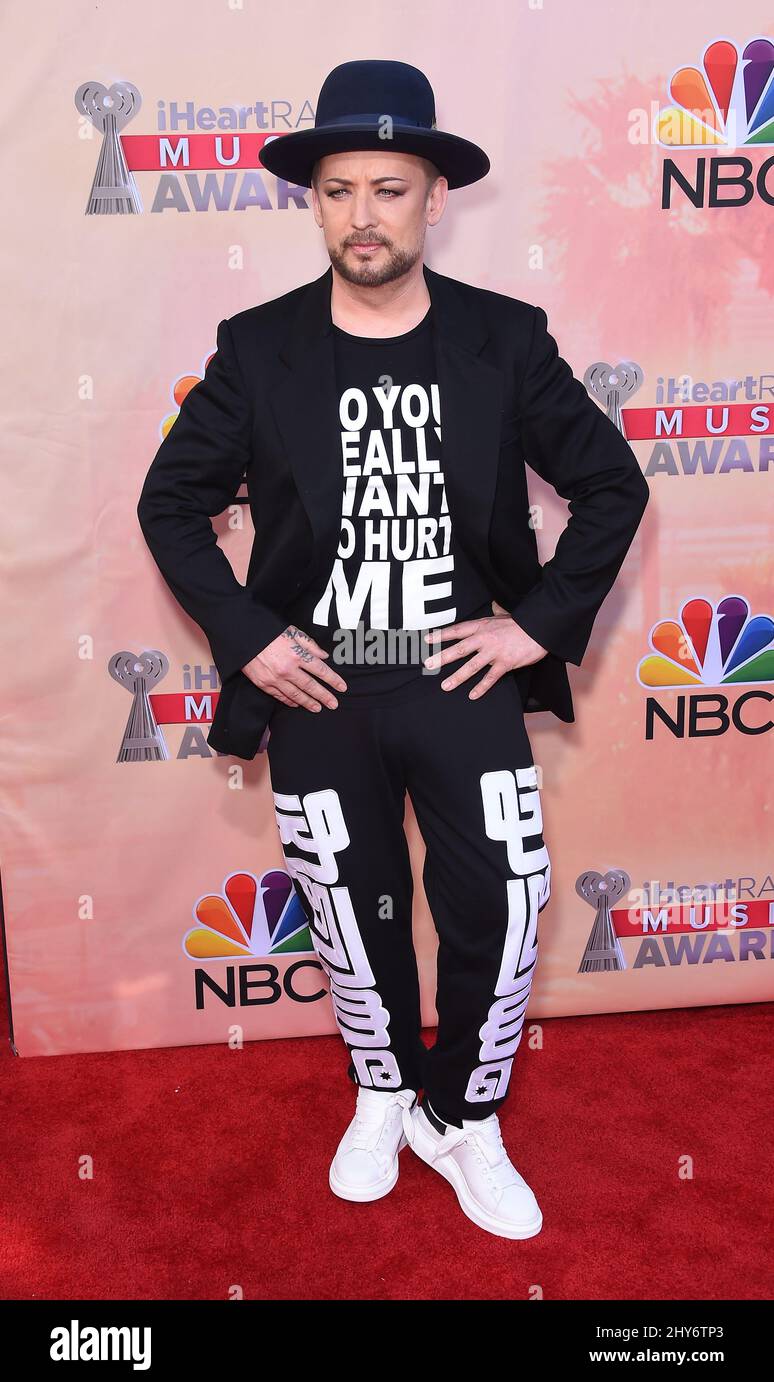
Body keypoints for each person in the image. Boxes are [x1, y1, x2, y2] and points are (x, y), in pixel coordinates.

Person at [137, 59, 650, 1240]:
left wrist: (532, 623)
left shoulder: (505, 339)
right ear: (312, 204)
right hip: (321, 684)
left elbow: (609, 484)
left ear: (434, 198)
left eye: (390, 187)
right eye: (339, 190)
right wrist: (250, 635)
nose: (363, 214)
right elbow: (173, 503)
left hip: (459, 677)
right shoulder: (258, 348)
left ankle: (463, 1113)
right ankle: (381, 1090)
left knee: (504, 902)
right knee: (355, 913)